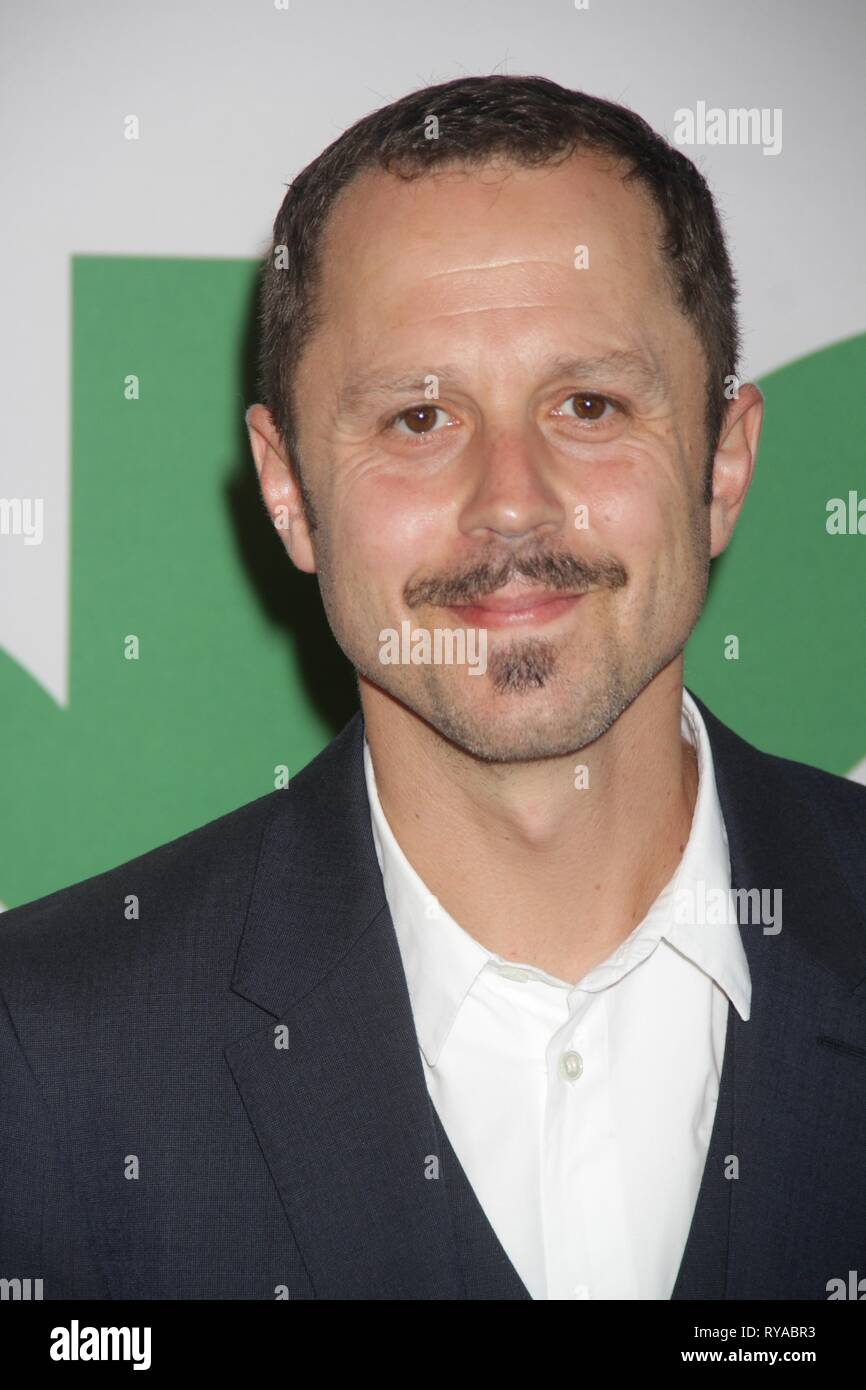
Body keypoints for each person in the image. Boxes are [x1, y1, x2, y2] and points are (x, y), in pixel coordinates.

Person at [2, 75, 865, 1302]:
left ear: (722, 466)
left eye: (587, 403)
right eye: (416, 417)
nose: (508, 499)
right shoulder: (42, 1058)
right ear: (289, 490)